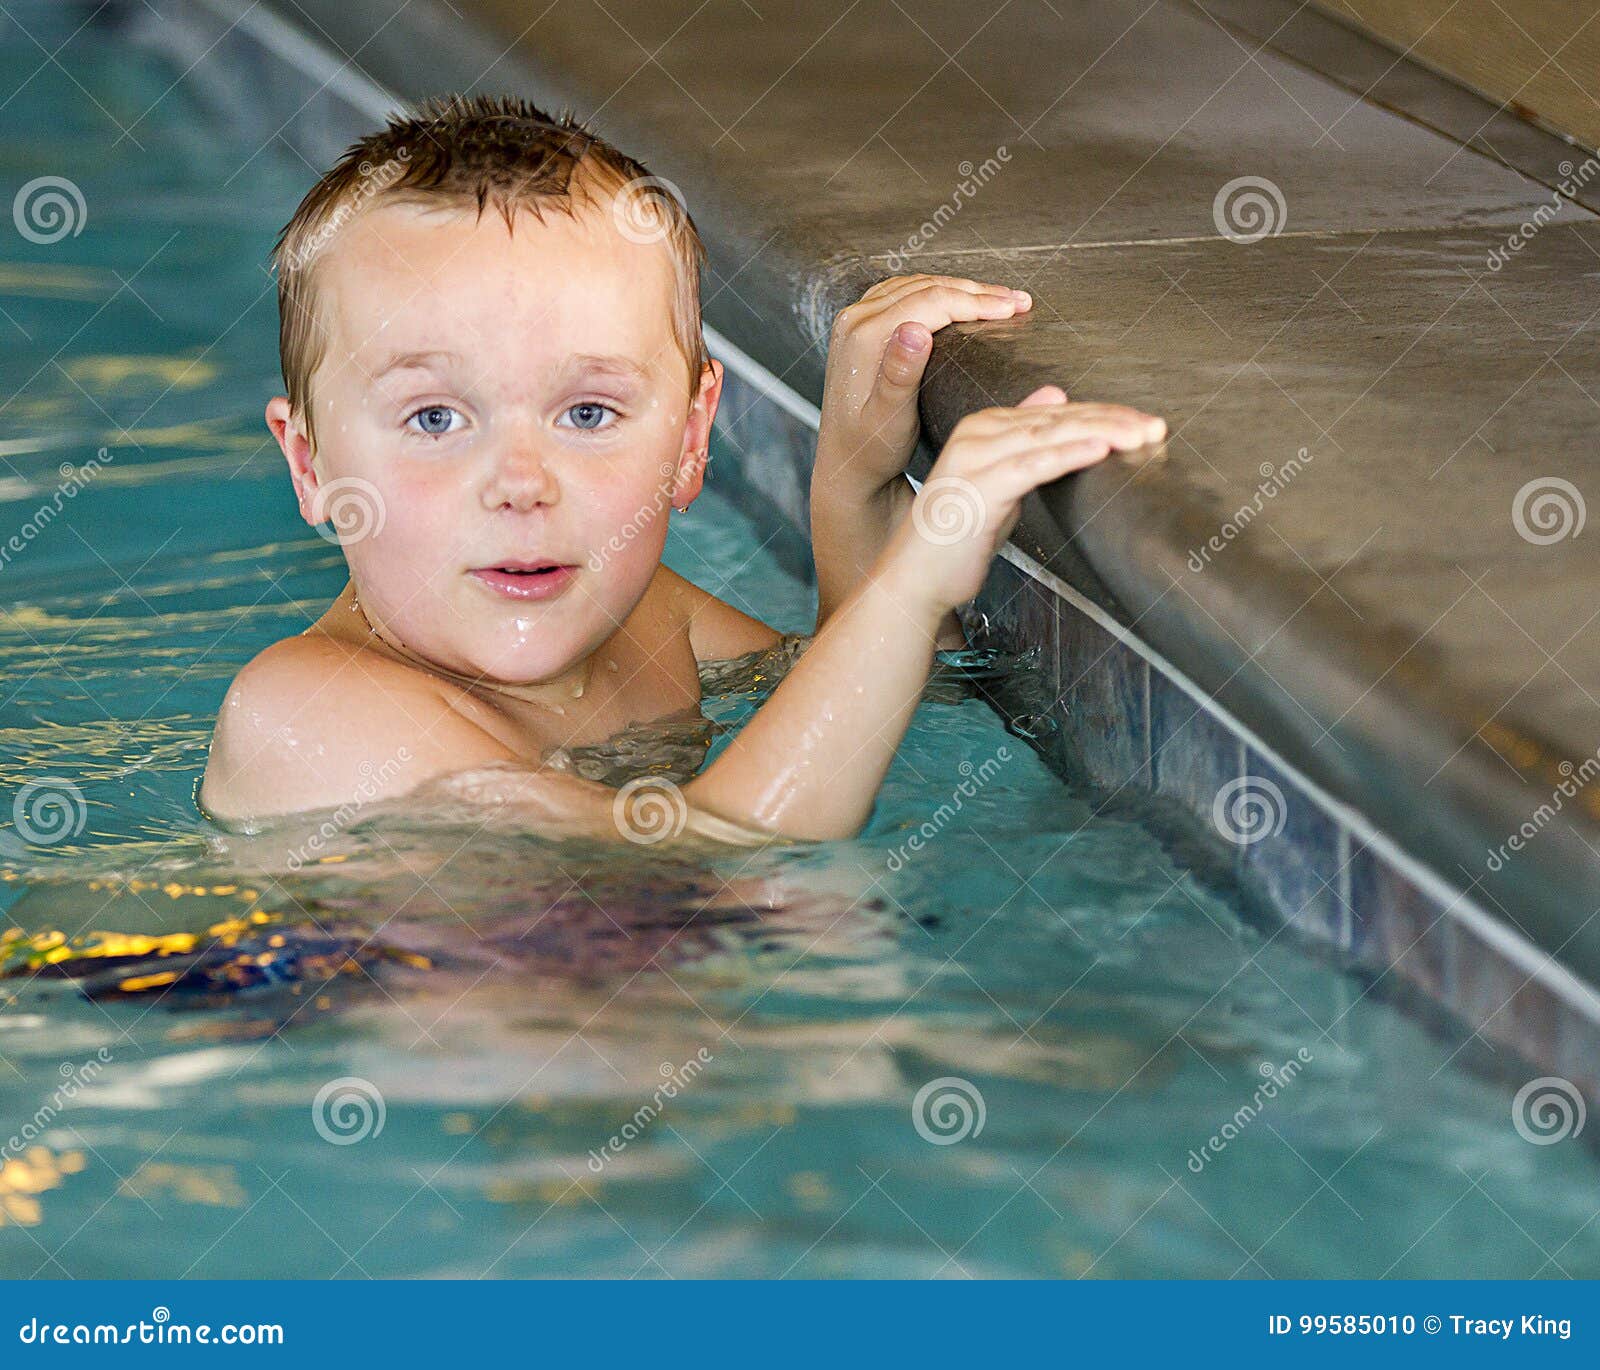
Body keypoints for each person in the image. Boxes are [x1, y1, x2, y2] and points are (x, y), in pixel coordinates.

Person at [200, 96, 1166, 844]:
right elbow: (722, 851)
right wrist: (914, 577)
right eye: (435, 417)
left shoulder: (648, 617)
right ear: (311, 464)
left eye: (587, 413)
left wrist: (854, 479)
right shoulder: (307, 714)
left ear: (691, 438)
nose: (520, 483)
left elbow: (898, 698)